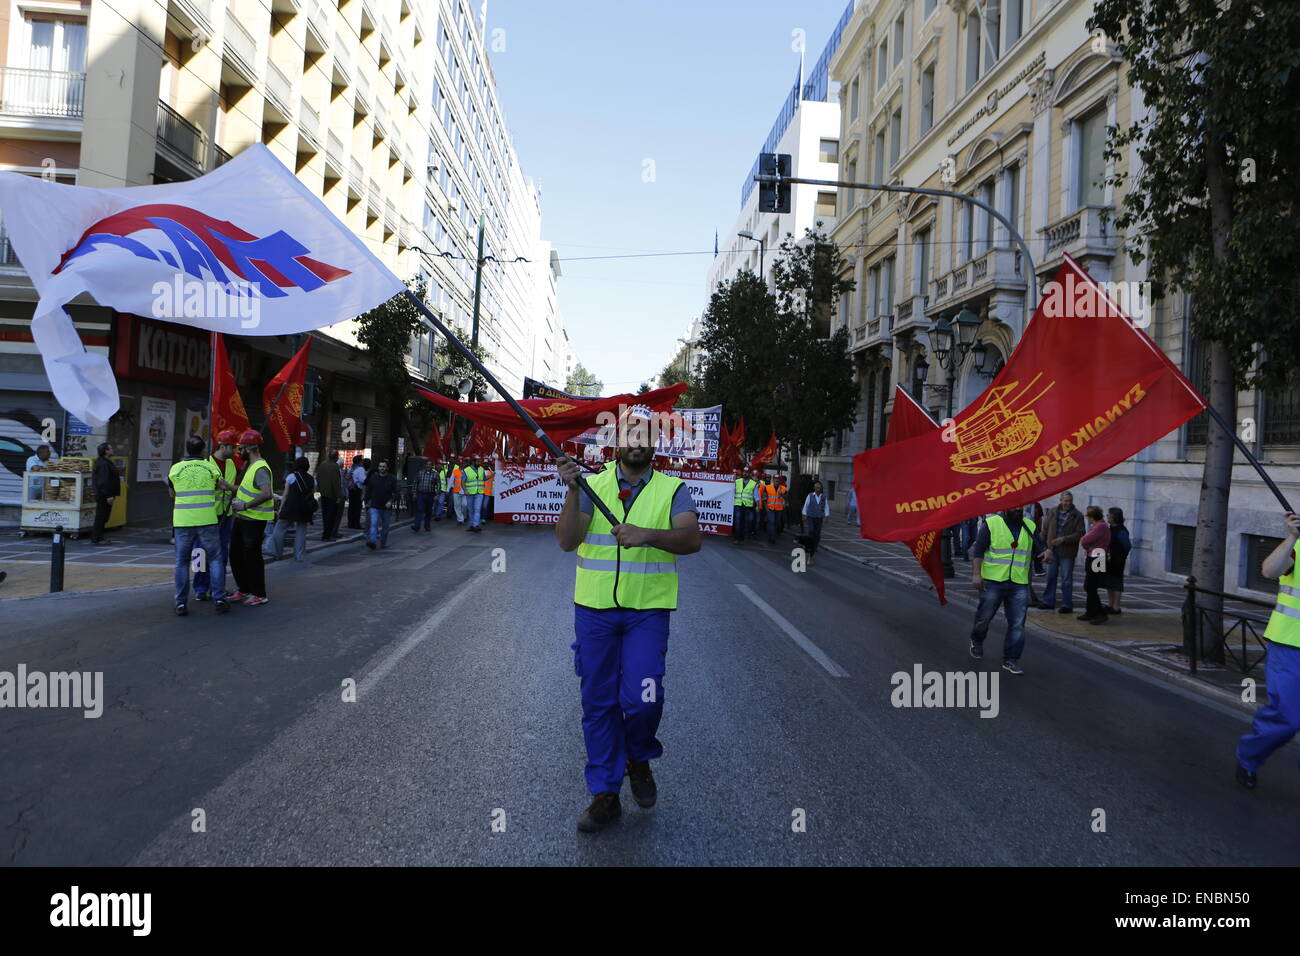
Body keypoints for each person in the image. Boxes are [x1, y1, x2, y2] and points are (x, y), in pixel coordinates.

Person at [554, 434, 701, 834]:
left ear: (655, 446)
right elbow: (567, 541)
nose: (637, 443)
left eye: (645, 437)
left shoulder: (673, 489)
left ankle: (639, 756)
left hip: (647, 614)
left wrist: (647, 534)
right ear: (617, 445)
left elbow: (691, 539)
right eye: (630, 436)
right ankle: (605, 794)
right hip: (595, 612)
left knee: (643, 698)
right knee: (598, 704)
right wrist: (571, 491)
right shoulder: (591, 484)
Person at [1235, 511, 1300, 791]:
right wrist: (1292, 537)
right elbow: (1269, 571)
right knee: (1288, 717)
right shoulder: (1297, 545)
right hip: (1290, 645)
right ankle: (1249, 757)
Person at [969, 506, 1045, 675]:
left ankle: (1011, 659)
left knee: (1017, 624)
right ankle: (977, 640)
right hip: (993, 581)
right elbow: (979, 551)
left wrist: (1047, 554)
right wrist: (976, 574)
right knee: (984, 618)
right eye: (1014, 507)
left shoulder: (1030, 526)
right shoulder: (991, 524)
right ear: (1006, 508)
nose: (1018, 509)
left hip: (1019, 582)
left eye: (1020, 507)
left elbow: (1041, 550)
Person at [166, 435, 235, 616]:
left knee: (182, 562)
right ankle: (219, 598)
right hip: (207, 520)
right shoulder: (210, 468)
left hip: (183, 522)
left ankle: (181, 603)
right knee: (215, 559)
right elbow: (223, 487)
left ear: (187, 449)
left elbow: (172, 494)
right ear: (203, 450)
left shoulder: (175, 469)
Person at [228, 430, 274, 606]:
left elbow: (266, 493)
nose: (240, 452)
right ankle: (244, 590)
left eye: (242, 448)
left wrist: (245, 506)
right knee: (236, 554)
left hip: (254, 520)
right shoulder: (251, 466)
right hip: (243, 519)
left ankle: (259, 594)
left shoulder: (260, 468)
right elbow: (246, 490)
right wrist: (230, 488)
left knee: (252, 557)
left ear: (250, 448)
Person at [194, 430, 238, 600]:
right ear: (223, 446)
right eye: (233, 448)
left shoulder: (232, 464)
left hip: (225, 515)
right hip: (206, 515)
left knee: (221, 553)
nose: (235, 451)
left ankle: (217, 587)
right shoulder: (206, 464)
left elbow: (232, 487)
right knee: (200, 552)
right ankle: (199, 588)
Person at [1036, 491, 1084, 613]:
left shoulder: (1077, 515)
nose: (1068, 503)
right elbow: (1045, 529)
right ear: (1061, 500)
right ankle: (1048, 601)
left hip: (1067, 551)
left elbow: (1080, 533)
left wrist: (1064, 539)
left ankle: (1067, 604)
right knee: (1050, 576)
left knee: (1066, 579)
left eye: (1070, 501)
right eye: (1066, 500)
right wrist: (1043, 546)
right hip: (1051, 550)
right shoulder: (1052, 511)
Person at [270, 456, 316, 561]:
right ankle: (299, 555)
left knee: (279, 529)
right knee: (301, 531)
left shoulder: (291, 477)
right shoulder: (312, 479)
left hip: (290, 507)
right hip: (304, 509)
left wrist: (280, 509)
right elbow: (311, 495)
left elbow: (285, 495)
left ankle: (277, 553)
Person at [1077, 505, 1111, 624]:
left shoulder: (1100, 526)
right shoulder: (1098, 525)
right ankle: (1090, 611)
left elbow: (1085, 540)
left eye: (1088, 516)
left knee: (1091, 586)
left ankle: (1099, 613)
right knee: (1089, 586)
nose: (1087, 519)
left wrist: (1084, 541)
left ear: (1092, 517)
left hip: (1097, 557)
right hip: (1095, 556)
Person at [90, 442, 120, 546]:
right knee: (101, 516)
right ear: (106, 451)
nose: (112, 450)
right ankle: (97, 537)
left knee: (104, 516)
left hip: (105, 494)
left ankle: (99, 536)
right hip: (104, 495)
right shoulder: (103, 464)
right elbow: (103, 481)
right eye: (110, 448)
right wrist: (108, 495)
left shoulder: (105, 462)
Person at [364, 459, 397, 549]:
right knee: (374, 524)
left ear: (387, 468)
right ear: (378, 468)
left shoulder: (392, 479)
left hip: (386, 507)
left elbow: (395, 492)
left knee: (385, 527)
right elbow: (368, 490)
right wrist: (367, 501)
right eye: (380, 466)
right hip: (374, 505)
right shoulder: (373, 478)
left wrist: (390, 501)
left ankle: (383, 542)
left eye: (383, 467)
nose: (382, 468)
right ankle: (372, 541)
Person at [1105, 507, 1131, 614]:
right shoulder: (1111, 528)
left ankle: (1116, 607)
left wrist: (1120, 557)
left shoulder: (1121, 530)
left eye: (1108, 515)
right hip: (1109, 560)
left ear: (1114, 517)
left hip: (1117, 561)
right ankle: (1110, 604)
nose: (1107, 517)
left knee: (1116, 582)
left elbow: (1127, 546)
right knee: (1109, 583)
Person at [317, 450, 344, 541]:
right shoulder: (335, 467)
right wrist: (339, 495)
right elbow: (336, 482)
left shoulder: (322, 465)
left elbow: (318, 477)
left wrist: (320, 489)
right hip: (332, 495)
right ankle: (327, 535)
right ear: (336, 457)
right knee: (331, 516)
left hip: (323, 493)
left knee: (325, 515)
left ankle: (326, 534)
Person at [802, 480, 829, 566]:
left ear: (821, 489)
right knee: (811, 531)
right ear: (814, 488)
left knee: (817, 534)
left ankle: (815, 546)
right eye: (816, 487)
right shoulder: (810, 496)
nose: (818, 489)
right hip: (811, 517)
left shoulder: (824, 497)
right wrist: (804, 514)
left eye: (819, 487)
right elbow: (806, 505)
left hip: (819, 518)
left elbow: (826, 507)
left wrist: (826, 516)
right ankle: (808, 545)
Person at [410, 458, 440, 532]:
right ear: (425, 465)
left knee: (428, 511)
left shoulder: (435, 474)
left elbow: (438, 485)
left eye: (430, 465)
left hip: (430, 495)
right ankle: (417, 525)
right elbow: (415, 483)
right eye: (427, 464)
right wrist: (414, 493)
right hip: (421, 494)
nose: (428, 466)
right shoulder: (420, 473)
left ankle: (427, 526)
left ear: (432, 466)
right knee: (420, 509)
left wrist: (437, 494)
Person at [731, 469, 756, 544]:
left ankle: (742, 538)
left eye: (747, 472)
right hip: (738, 504)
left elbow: (755, 495)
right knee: (737, 522)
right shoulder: (737, 481)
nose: (745, 473)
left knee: (746, 522)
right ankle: (737, 538)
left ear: (749, 474)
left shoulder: (753, 483)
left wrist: (757, 505)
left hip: (748, 506)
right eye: (744, 472)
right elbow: (731, 490)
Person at [463, 456, 485, 532]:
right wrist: (465, 490)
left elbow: (484, 478)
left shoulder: (481, 469)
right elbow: (462, 482)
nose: (479, 463)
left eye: (479, 461)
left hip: (479, 492)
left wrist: (492, 475)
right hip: (470, 493)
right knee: (471, 510)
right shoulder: (466, 470)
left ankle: (476, 525)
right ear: (473, 462)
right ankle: (472, 525)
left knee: (477, 509)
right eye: (478, 461)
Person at [347, 456, 368, 529]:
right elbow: (362, 480)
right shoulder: (361, 469)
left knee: (351, 507)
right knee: (357, 507)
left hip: (351, 489)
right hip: (358, 489)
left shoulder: (351, 468)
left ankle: (350, 523)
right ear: (360, 461)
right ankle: (356, 524)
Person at [450, 457, 467, 525]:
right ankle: (460, 519)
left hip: (464, 491)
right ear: (458, 464)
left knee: (465, 505)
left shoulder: (467, 471)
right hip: (456, 491)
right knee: (457, 506)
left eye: (462, 463)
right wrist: (448, 489)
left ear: (464, 464)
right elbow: (451, 480)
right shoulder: (455, 471)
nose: (461, 464)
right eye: (460, 463)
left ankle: (464, 516)